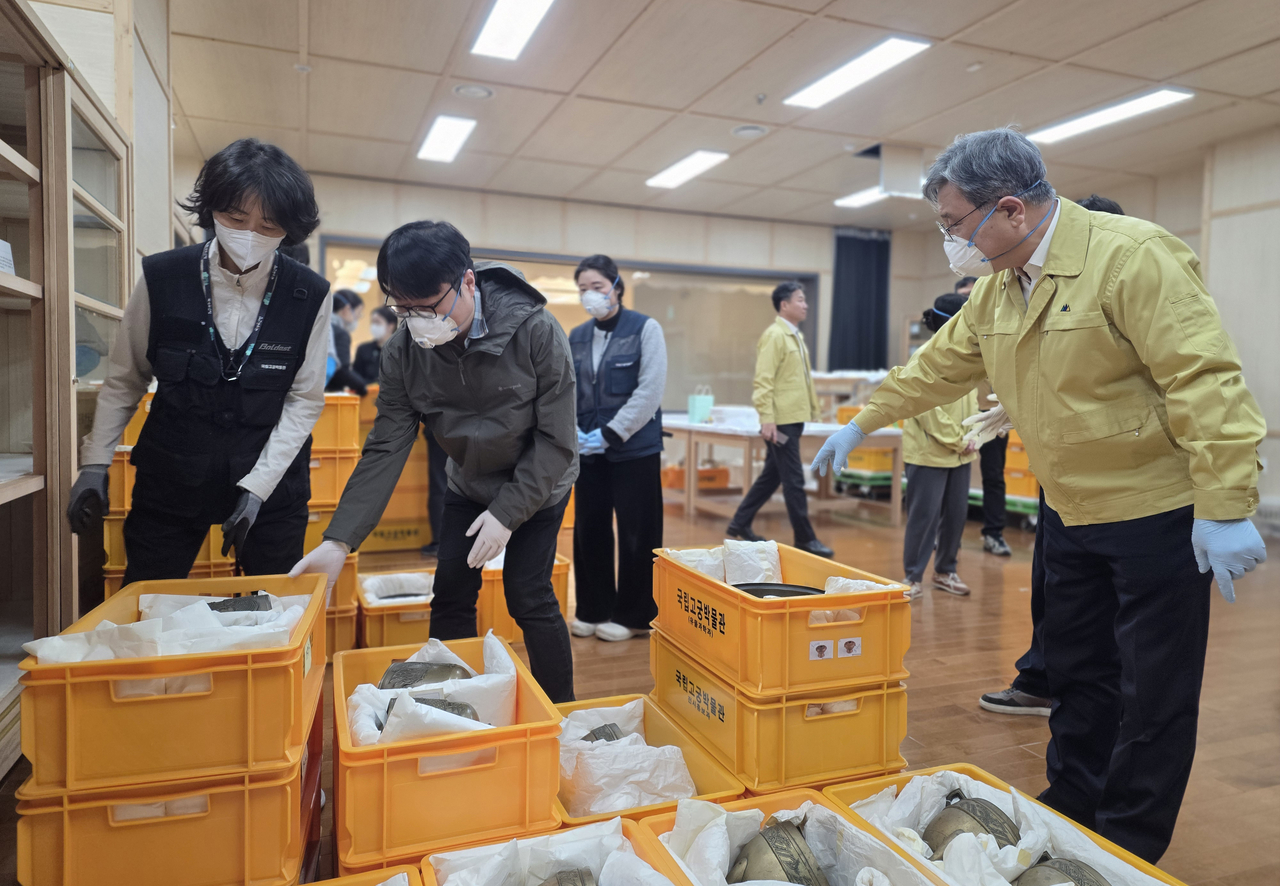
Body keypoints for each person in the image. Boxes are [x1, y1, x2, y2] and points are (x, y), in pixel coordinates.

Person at [811, 128, 1266, 863]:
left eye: (956, 224)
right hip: (1070, 511)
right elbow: (938, 367)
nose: (951, 239)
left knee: (1153, 695)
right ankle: (1073, 810)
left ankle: (1126, 847)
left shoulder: (1132, 257)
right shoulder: (998, 287)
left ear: (1012, 211)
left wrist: (1225, 501)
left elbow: (1204, 379)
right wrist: (861, 420)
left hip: (1154, 513)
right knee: (1078, 675)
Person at [289, 221, 579, 703]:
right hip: (468, 483)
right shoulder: (404, 351)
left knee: (527, 596)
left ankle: (563, 714)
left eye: (427, 307)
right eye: (402, 308)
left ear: (468, 281)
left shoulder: (536, 331)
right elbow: (387, 445)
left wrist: (507, 515)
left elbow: (557, 440)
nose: (416, 320)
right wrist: (340, 540)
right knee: (450, 594)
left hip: (539, 483)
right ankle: (451, 708)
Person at [65, 138, 330, 580]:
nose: (249, 236)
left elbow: (304, 400)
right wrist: (94, 465)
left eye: (268, 226)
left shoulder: (310, 294)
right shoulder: (163, 276)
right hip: (171, 477)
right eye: (235, 218)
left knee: (275, 613)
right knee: (150, 601)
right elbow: (124, 380)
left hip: (271, 486)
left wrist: (258, 489)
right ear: (211, 211)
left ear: (289, 229)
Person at [978, 194, 1125, 717]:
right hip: (1060, 476)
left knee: (1105, 614)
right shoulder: (1030, 287)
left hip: (1124, 490)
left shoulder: (1126, 275)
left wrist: (1223, 500)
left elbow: (1195, 383)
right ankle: (1047, 681)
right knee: (1056, 592)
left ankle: (1082, 692)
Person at [566, 254, 668, 642]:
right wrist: (573, 431)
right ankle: (593, 608)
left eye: (596, 287)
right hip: (588, 451)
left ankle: (634, 616)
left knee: (637, 533)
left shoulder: (645, 328)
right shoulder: (576, 335)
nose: (589, 295)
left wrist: (612, 432)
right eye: (582, 289)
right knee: (589, 529)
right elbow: (567, 388)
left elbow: (650, 389)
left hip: (634, 449)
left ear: (616, 287)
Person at [726, 282, 833, 558]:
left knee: (771, 477)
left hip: (793, 418)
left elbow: (801, 381)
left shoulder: (794, 336)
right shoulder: (775, 336)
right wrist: (767, 418)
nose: (805, 304)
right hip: (781, 420)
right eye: (800, 300)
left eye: (805, 300)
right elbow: (764, 380)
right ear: (784, 305)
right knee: (794, 480)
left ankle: (739, 524)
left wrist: (813, 411)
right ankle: (805, 538)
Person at [900, 293, 980, 599]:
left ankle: (946, 570)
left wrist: (977, 432)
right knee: (925, 517)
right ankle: (913, 576)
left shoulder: (966, 357)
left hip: (961, 453)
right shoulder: (924, 357)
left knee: (957, 514)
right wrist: (957, 440)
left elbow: (971, 401)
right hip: (929, 453)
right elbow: (925, 409)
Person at [326, 289, 367, 395]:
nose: (357, 318)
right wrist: (361, 386)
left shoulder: (319, 326)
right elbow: (341, 371)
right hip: (329, 396)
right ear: (347, 309)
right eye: (358, 314)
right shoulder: (340, 334)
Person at [353, 305, 398, 384]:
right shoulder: (363, 349)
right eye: (372, 322)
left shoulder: (400, 350)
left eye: (377, 322)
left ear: (391, 326)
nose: (374, 326)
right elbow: (356, 378)